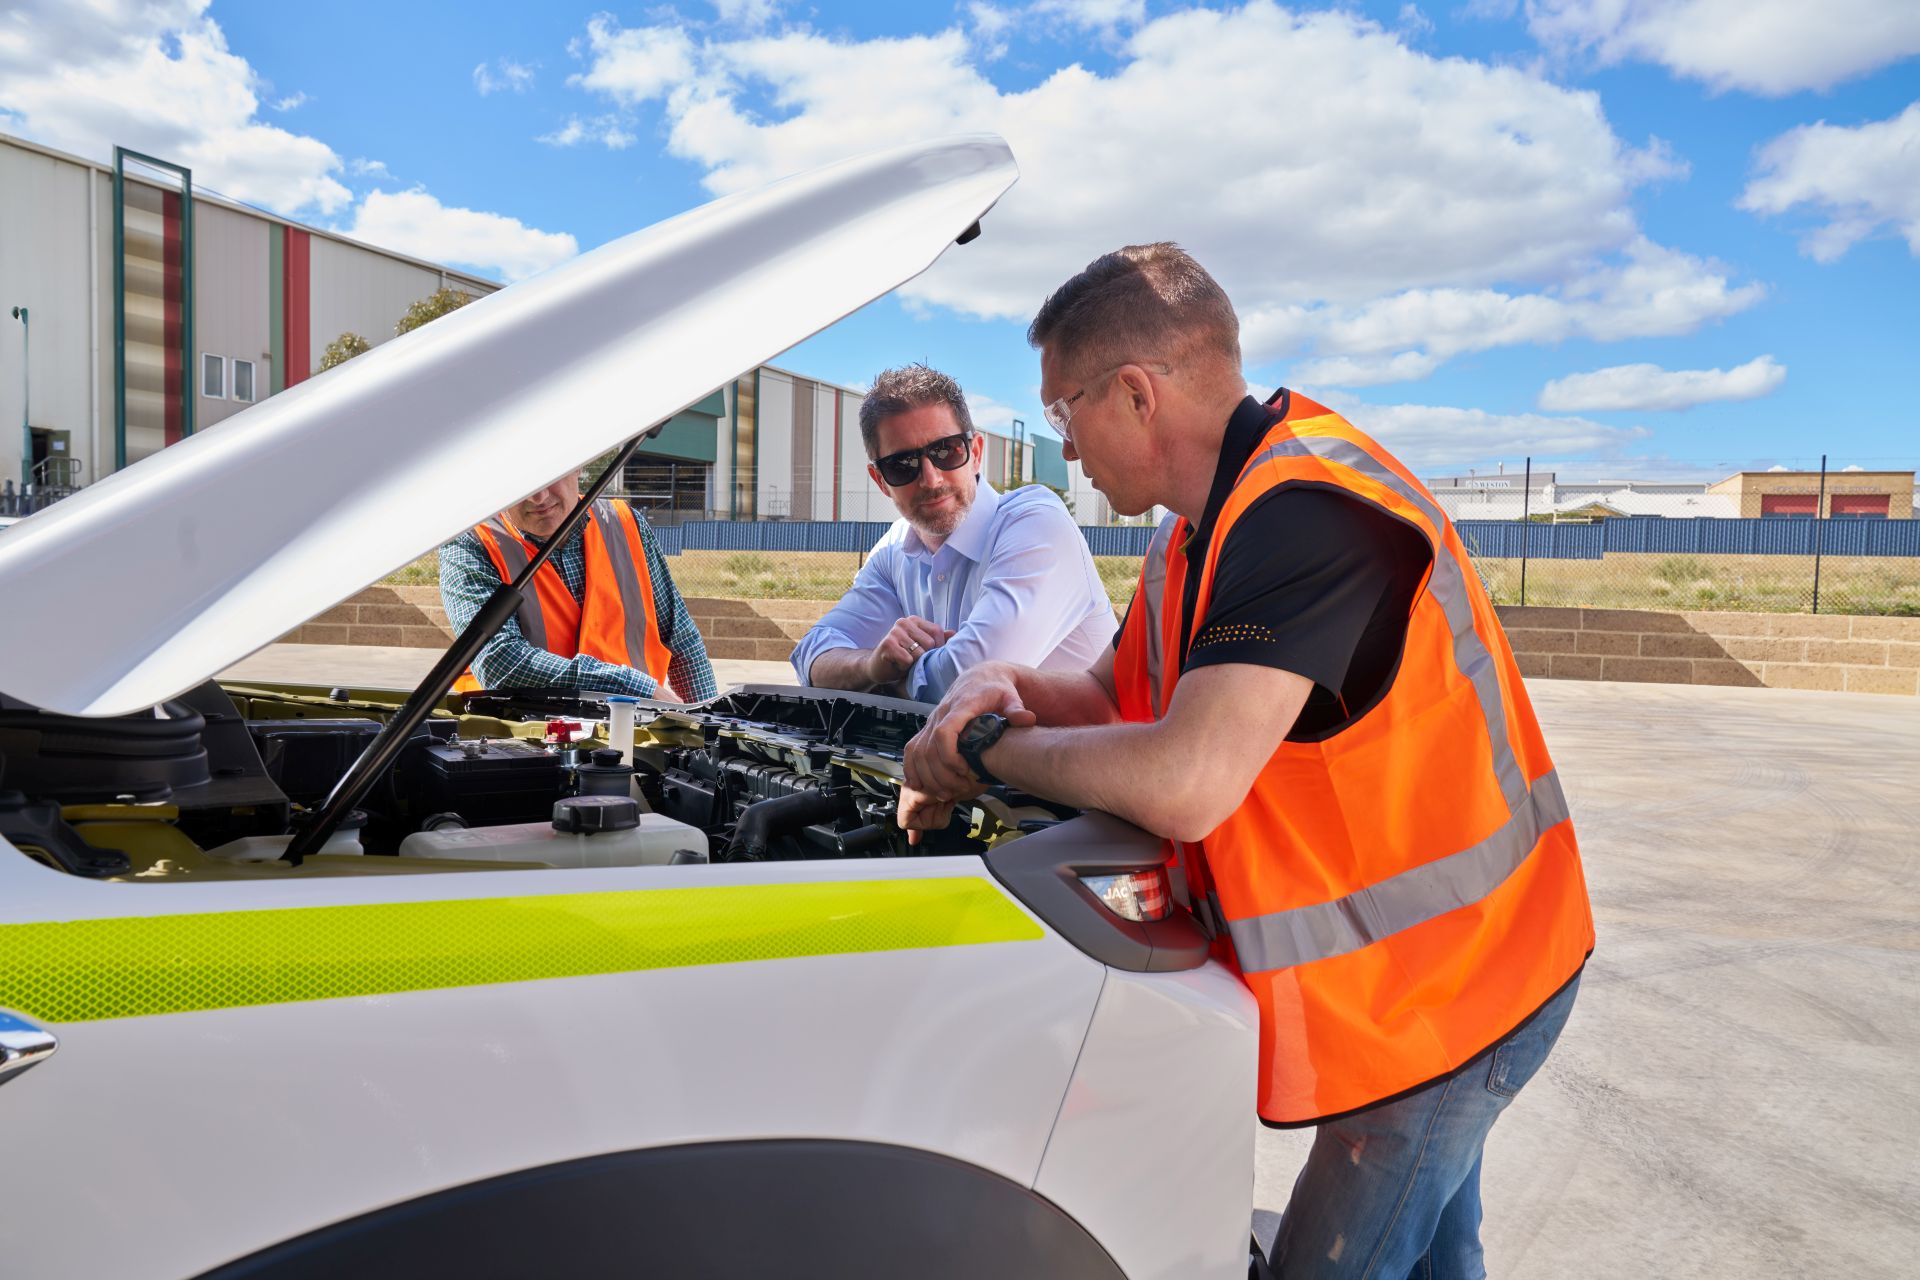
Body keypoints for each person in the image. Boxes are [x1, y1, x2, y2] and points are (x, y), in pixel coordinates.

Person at [896, 245, 1593, 1278]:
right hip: (1418, 982)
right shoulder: (1196, 533)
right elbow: (1113, 699)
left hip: (1464, 980)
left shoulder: (1310, 513)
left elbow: (1186, 781)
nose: (1065, 447)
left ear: (1136, 395)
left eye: (1065, 412)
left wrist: (991, 753)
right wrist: (1005, 684)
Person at [791, 363, 1114, 702]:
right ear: (880, 481)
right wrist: (869, 666)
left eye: (946, 451)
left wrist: (886, 681)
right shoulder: (894, 550)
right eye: (902, 465)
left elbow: (973, 677)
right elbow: (811, 656)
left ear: (975, 453)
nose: (931, 480)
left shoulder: (1036, 523)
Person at [441, 472, 716, 702]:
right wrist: (634, 688)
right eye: (521, 483)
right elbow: (499, 662)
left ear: (578, 467)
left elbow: (682, 642)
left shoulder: (626, 525)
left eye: (550, 476)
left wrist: (708, 724)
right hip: (518, 737)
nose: (539, 497)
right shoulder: (472, 544)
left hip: (633, 730)